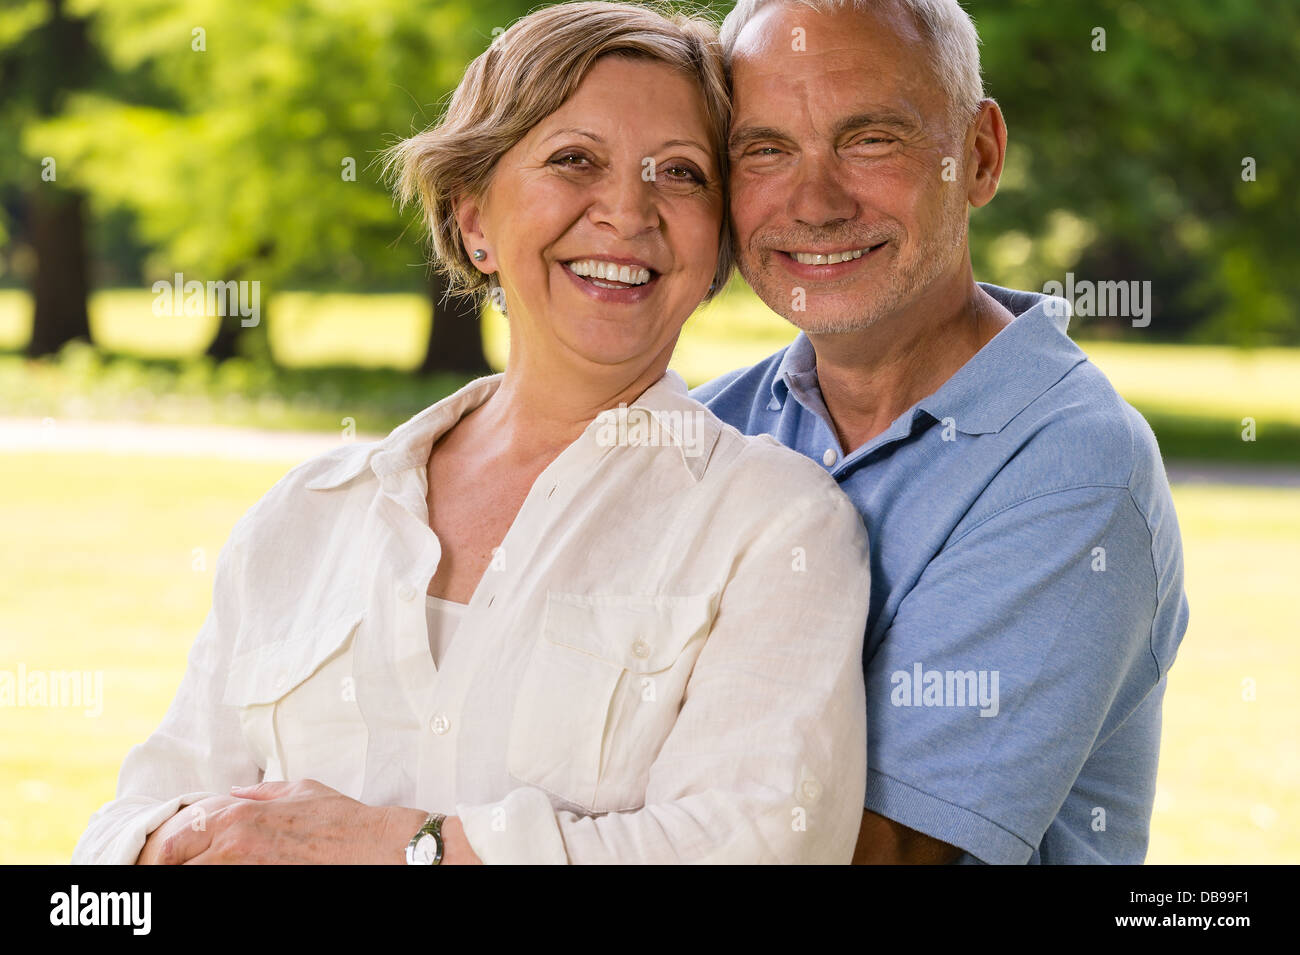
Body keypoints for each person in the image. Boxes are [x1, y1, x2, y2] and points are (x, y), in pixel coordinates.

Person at [71, 1, 872, 865]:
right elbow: (127, 828)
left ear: (716, 241)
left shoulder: (775, 525)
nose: (628, 211)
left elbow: (754, 845)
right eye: (574, 160)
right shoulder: (305, 516)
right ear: (473, 218)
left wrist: (406, 848)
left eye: (679, 173)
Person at [692, 0, 1190, 864]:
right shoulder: (702, 428)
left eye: (871, 138)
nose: (814, 203)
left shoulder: (1074, 467)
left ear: (982, 155)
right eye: (765, 150)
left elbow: (863, 853)